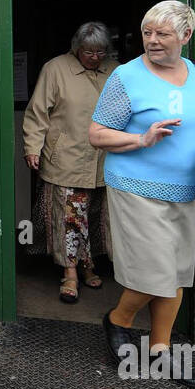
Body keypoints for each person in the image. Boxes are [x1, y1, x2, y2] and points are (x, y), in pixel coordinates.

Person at [88, 0, 195, 388]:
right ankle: (118, 319)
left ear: (185, 36)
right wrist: (141, 137)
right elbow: (97, 134)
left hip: (188, 188)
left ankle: (160, 351)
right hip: (136, 188)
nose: (152, 41)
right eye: (147, 32)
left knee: (179, 272)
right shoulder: (126, 76)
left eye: (162, 34)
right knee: (156, 272)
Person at [22, 21, 119, 303]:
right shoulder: (55, 69)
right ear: (77, 49)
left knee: (96, 217)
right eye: (89, 52)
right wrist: (33, 147)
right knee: (69, 218)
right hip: (66, 158)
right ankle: (70, 273)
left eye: (101, 52)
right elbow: (38, 112)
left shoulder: (115, 71)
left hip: (105, 159)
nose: (95, 57)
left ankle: (90, 264)